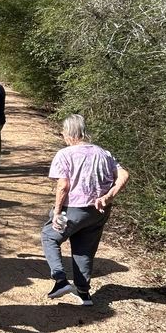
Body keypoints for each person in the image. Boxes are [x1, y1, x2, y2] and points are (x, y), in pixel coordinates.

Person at [42, 114, 130, 306]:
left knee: (50, 236)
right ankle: (83, 293)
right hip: (99, 211)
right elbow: (124, 174)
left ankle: (60, 280)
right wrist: (109, 195)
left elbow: (63, 186)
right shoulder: (103, 153)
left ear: (68, 134)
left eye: (63, 133)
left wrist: (57, 213)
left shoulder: (65, 154)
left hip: (73, 208)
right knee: (84, 249)